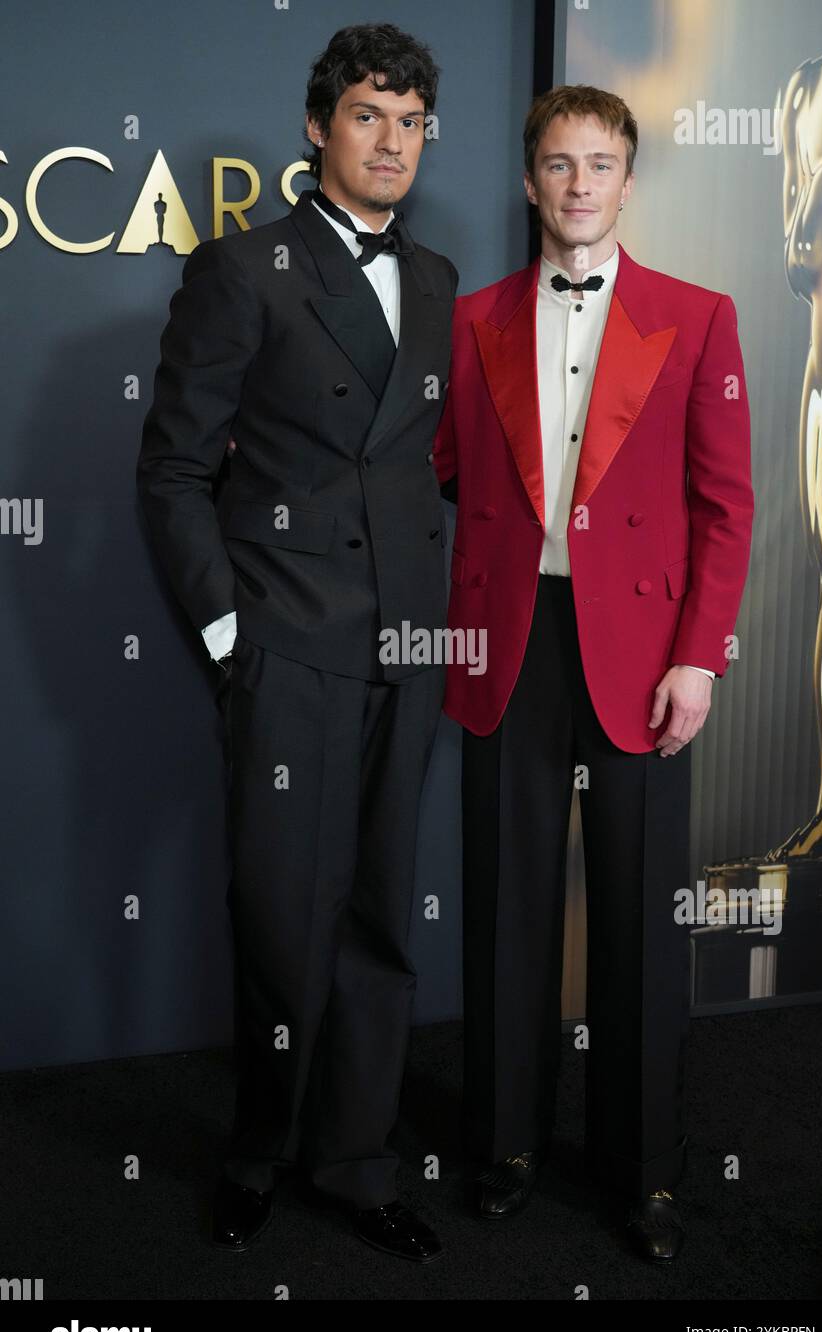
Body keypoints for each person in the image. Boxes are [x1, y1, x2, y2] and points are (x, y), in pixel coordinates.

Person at [136, 22, 457, 1263]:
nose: (391, 141)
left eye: (411, 121)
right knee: (283, 912)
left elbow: (424, 469)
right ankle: (259, 1150)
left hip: (407, 646)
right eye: (369, 115)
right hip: (289, 640)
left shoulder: (430, 281)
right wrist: (230, 628)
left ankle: (358, 1158)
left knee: (380, 914)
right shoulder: (242, 268)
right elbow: (170, 471)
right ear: (319, 127)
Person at [432, 84, 753, 1260]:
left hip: (641, 655)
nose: (578, 185)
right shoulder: (469, 319)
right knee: (506, 903)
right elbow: (444, 475)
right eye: (557, 165)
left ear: (627, 181)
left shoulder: (697, 316)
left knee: (634, 922)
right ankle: (505, 1144)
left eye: (600, 164)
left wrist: (696, 660)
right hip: (508, 643)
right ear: (529, 182)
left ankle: (641, 1173)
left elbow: (725, 506)